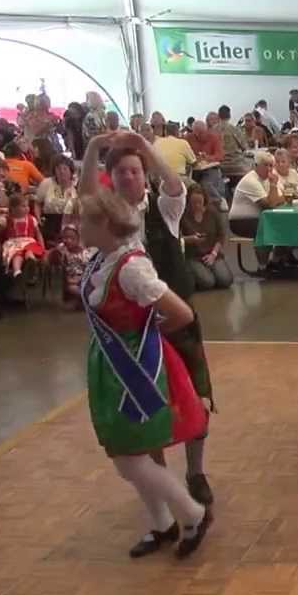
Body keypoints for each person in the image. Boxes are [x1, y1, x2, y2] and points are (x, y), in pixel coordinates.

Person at [80, 130, 217, 510]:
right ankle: (162, 480)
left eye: (136, 171)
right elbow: (87, 195)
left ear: (145, 175)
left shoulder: (165, 209)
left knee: (196, 397)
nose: (129, 178)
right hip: (135, 332)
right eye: (121, 172)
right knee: (147, 404)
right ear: (113, 178)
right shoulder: (108, 216)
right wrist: (93, 148)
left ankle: (196, 472)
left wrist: (145, 148)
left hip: (174, 315)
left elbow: (173, 183)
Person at [228, 151, 286, 272]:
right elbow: (269, 205)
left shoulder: (272, 176)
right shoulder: (251, 180)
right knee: (265, 228)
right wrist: (273, 187)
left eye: (271, 165)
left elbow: (283, 197)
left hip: (262, 218)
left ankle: (275, 261)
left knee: (286, 225)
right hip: (240, 222)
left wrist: (275, 196)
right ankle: (262, 267)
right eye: (265, 165)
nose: (269, 169)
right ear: (256, 166)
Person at [179, 185, 233, 292]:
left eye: (200, 202)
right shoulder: (183, 215)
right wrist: (190, 239)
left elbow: (221, 235)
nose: (197, 205)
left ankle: (209, 270)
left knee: (226, 280)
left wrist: (214, 254)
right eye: (193, 202)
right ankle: (193, 273)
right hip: (193, 256)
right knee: (208, 283)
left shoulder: (212, 212)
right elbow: (177, 238)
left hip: (212, 253)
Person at [47, 221, 93, 310]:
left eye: (71, 238)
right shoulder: (63, 250)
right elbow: (54, 257)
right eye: (65, 237)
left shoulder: (85, 252)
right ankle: (87, 300)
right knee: (72, 288)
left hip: (85, 279)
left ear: (78, 239)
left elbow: (90, 266)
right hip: (71, 280)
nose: (67, 240)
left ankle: (87, 300)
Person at [0, 194, 43, 281]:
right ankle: (17, 272)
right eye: (23, 206)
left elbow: (38, 233)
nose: (27, 208)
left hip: (28, 241)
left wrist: (42, 245)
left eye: (27, 206)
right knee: (17, 255)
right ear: (13, 208)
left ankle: (32, 266)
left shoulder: (31, 219)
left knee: (29, 251)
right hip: (14, 243)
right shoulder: (6, 220)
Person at [35, 157, 78, 245]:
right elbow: (37, 203)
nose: (61, 172)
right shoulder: (46, 183)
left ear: (71, 171)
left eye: (65, 169)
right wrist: (38, 219)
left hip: (70, 222)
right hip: (49, 221)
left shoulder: (77, 187)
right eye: (58, 169)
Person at [214, 105, 249, 178]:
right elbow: (245, 147)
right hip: (235, 163)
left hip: (219, 165)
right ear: (229, 115)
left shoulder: (212, 131)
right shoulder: (234, 129)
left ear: (218, 116)